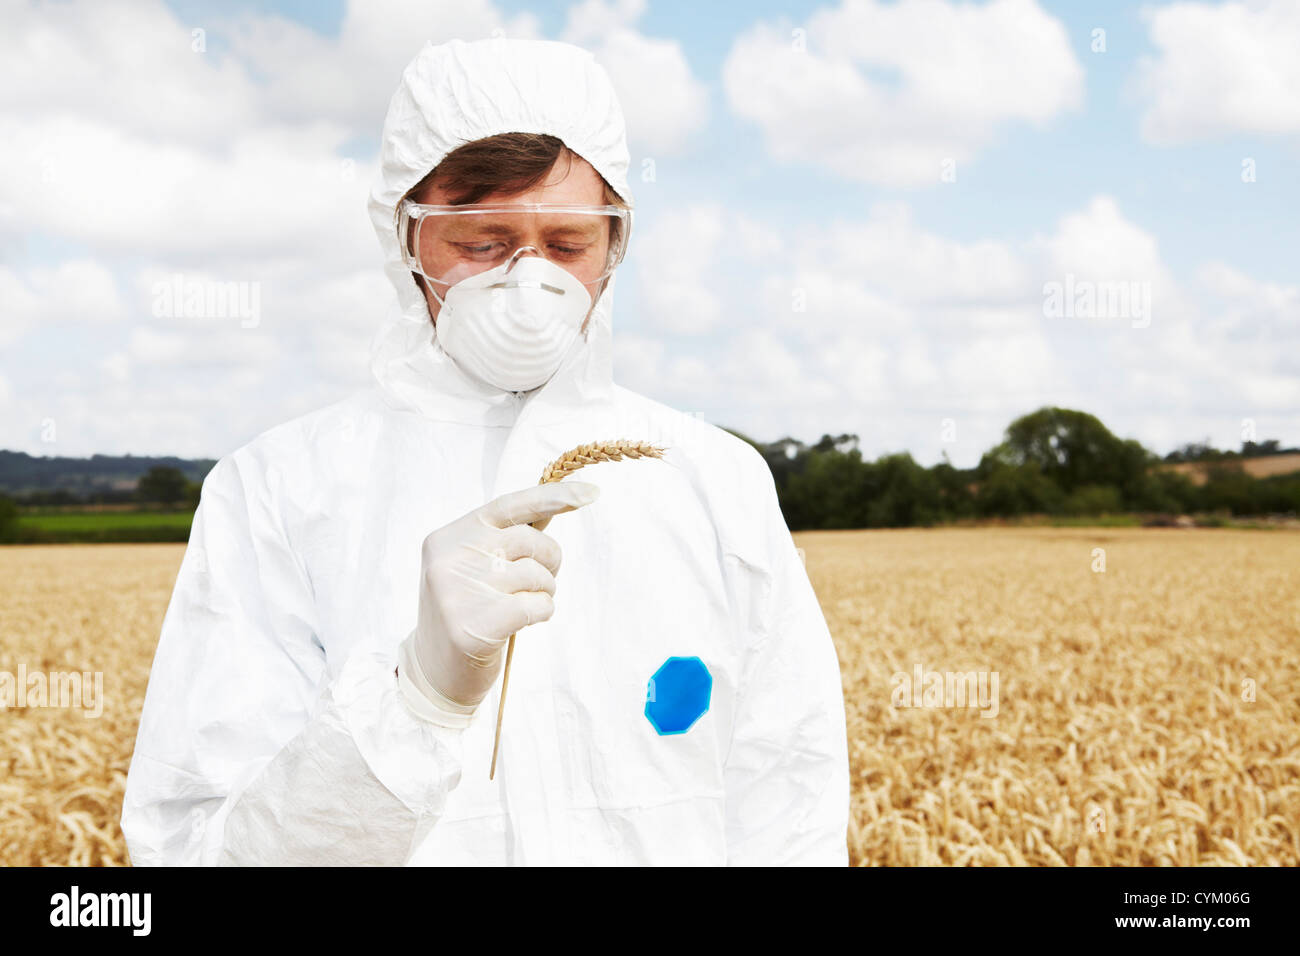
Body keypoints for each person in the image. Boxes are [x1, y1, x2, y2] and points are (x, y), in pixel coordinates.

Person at [120, 36, 849, 866]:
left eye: (568, 244)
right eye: (480, 243)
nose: (527, 281)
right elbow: (195, 851)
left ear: (616, 248)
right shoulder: (278, 490)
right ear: (406, 238)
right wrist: (417, 700)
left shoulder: (716, 481)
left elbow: (790, 802)